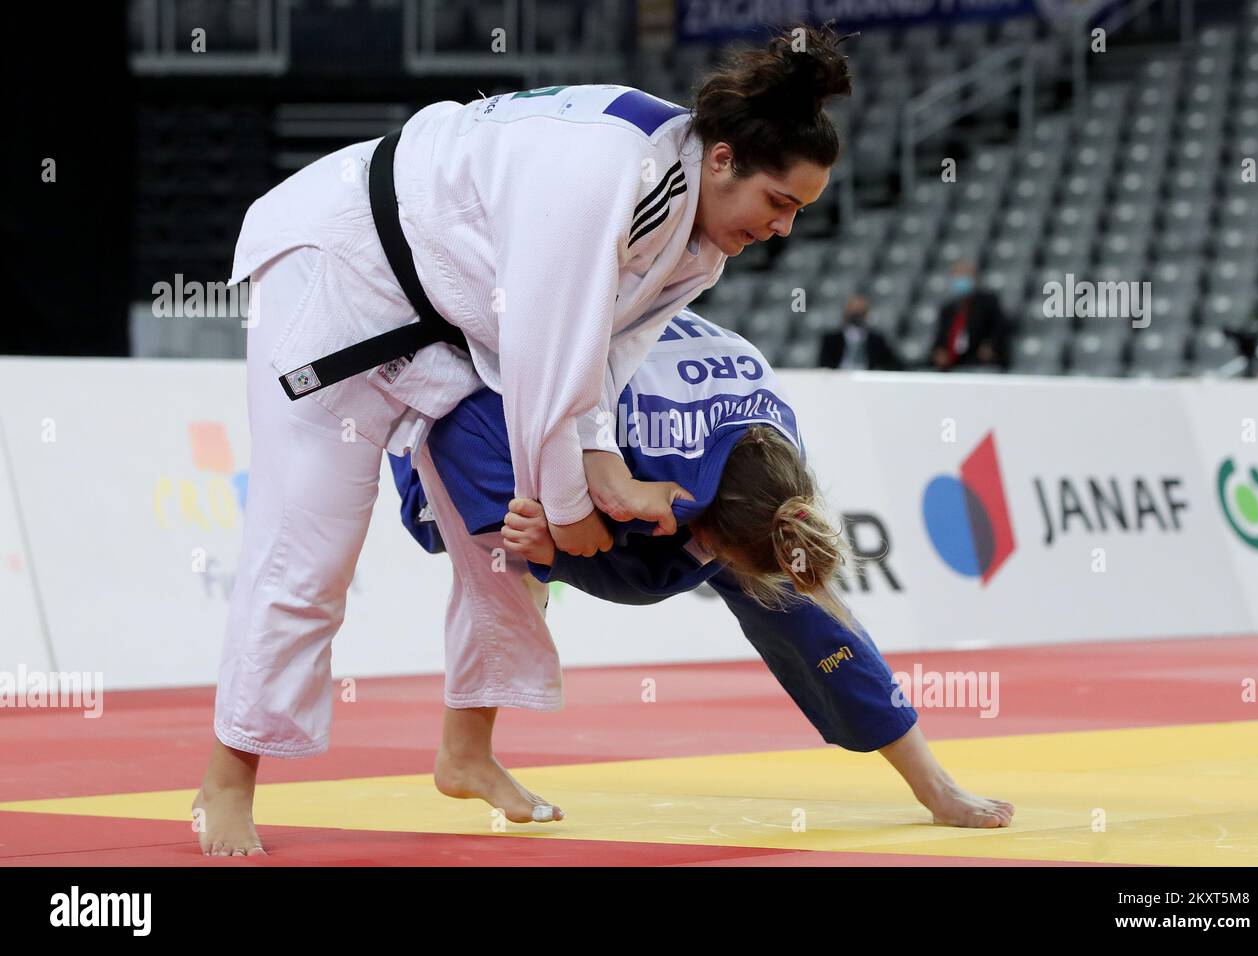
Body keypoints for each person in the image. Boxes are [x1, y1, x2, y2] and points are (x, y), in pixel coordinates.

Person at [194, 23, 856, 856]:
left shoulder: (695, 243)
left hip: (452, 316)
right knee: (310, 553)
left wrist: (603, 472)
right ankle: (226, 783)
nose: (783, 229)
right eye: (780, 203)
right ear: (722, 160)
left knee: (507, 539)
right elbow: (549, 354)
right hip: (338, 276)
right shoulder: (614, 176)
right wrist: (574, 507)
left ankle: (465, 753)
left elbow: (602, 359)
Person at [391, 307, 1016, 831]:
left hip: (621, 401)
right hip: (472, 389)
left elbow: (662, 572)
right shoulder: (658, 465)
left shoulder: (773, 453)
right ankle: (465, 753)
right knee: (505, 545)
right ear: (697, 519)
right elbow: (639, 581)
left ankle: (932, 783)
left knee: (801, 603)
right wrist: (551, 549)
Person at [929, 260, 1009, 371]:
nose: (960, 280)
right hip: (952, 363)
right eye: (957, 276)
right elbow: (940, 339)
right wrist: (939, 353)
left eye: (964, 276)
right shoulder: (948, 309)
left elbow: (1000, 328)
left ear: (974, 278)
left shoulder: (987, 302)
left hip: (979, 360)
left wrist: (991, 347)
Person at [818, 294, 903, 370]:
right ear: (845, 313)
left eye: (861, 311)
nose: (856, 315)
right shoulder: (831, 340)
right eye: (853, 311)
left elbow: (893, 364)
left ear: (866, 314)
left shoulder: (877, 340)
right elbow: (824, 364)